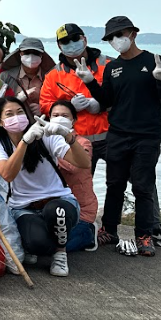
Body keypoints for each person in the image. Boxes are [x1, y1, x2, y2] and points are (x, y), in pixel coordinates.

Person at [87, 16, 161, 255]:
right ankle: (109, 230)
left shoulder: (153, 61)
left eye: (119, 35)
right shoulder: (112, 67)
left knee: (142, 186)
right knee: (114, 185)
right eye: (111, 38)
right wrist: (90, 83)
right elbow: (106, 101)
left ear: (132, 34)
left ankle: (144, 235)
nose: (115, 40)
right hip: (117, 134)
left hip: (147, 135)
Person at [0, 95, 89, 277]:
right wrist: (24, 142)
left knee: (57, 212)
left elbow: (84, 163)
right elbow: (8, 174)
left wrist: (67, 136)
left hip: (59, 201)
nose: (16, 117)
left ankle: (60, 252)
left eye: (20, 112)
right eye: (9, 114)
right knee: (36, 243)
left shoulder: (45, 136)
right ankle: (53, 240)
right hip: (24, 207)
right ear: (0, 122)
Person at [39, 24, 111, 174]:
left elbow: (125, 98)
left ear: (84, 39)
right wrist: (69, 107)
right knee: (79, 183)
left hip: (111, 137)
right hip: (75, 140)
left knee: (127, 179)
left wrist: (102, 105)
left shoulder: (108, 65)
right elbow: (45, 106)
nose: (71, 43)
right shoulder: (53, 74)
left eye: (75, 38)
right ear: (59, 46)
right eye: (65, 41)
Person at [48, 100, 98, 252]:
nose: (59, 119)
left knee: (58, 247)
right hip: (53, 207)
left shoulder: (83, 143)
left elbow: (74, 166)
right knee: (40, 244)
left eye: (64, 116)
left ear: (73, 120)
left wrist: (51, 153)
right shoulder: (44, 141)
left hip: (81, 210)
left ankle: (89, 233)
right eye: (55, 115)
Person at [0, 37, 55, 117]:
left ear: (42, 55)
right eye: (27, 52)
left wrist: (43, 109)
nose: (31, 56)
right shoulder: (6, 76)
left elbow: (57, 102)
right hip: (13, 121)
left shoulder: (50, 77)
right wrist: (17, 99)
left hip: (42, 122)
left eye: (36, 53)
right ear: (20, 54)